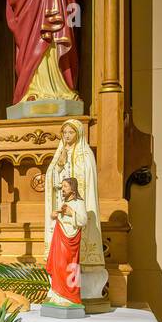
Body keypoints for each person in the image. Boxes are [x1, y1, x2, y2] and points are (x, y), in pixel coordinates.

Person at [44, 119, 105, 279]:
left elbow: (86, 179)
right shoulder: (60, 153)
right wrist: (59, 166)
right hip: (62, 202)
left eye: (70, 132)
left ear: (78, 134)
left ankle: (75, 278)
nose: (67, 136)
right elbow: (52, 177)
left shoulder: (85, 154)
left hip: (77, 205)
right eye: (64, 133)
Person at [45, 177, 86, 307]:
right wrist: (53, 216)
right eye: (62, 187)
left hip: (71, 241)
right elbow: (58, 222)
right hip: (59, 238)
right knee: (58, 265)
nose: (62, 189)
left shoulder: (79, 203)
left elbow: (83, 221)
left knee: (69, 267)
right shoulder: (62, 203)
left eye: (65, 186)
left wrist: (71, 213)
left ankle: (71, 297)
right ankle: (57, 295)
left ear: (73, 189)